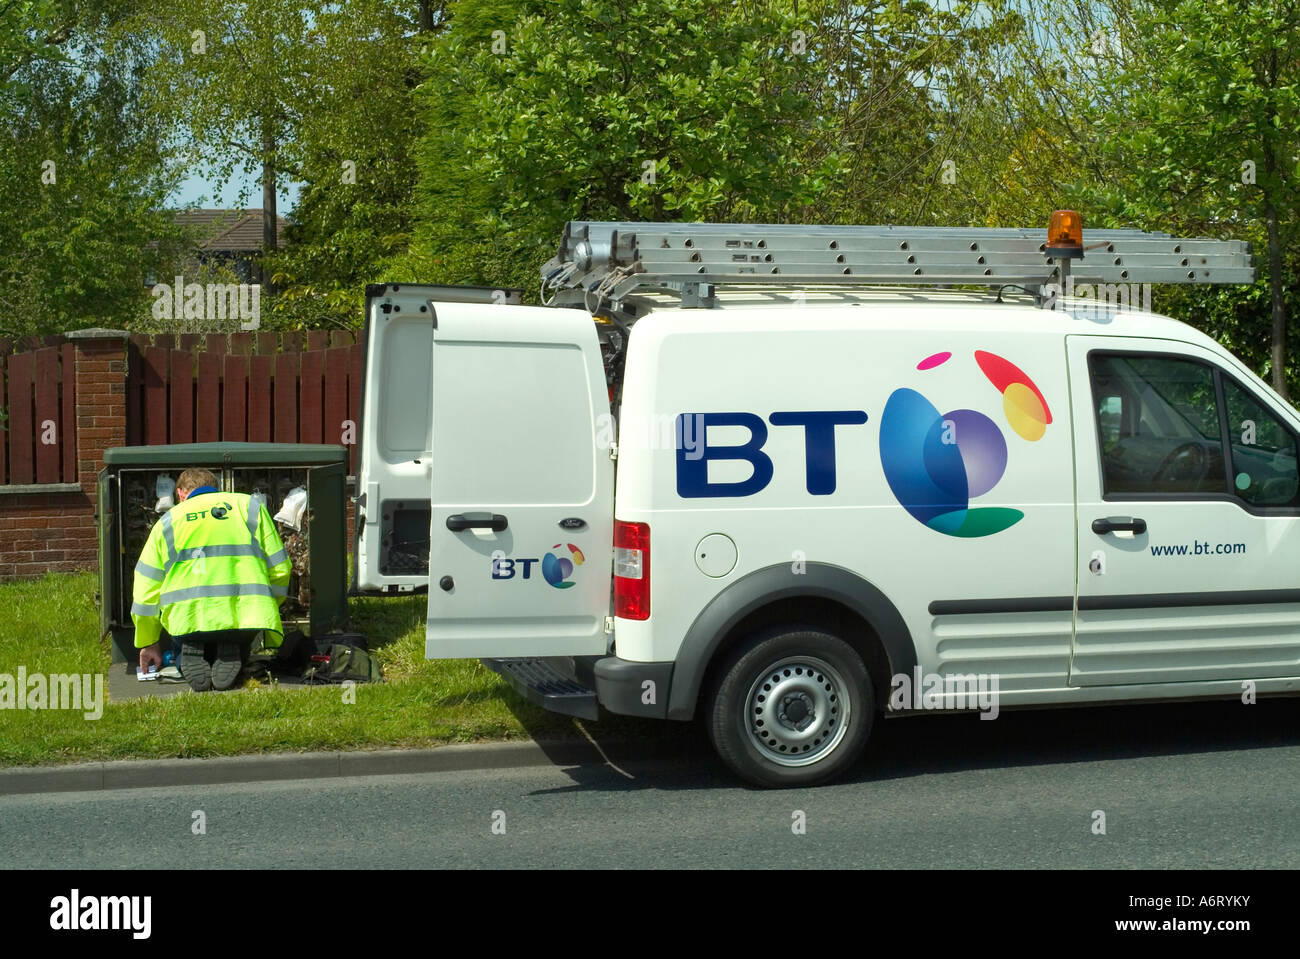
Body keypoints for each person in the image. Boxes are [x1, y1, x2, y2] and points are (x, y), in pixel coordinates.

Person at [131, 468, 292, 692]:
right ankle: (232, 649)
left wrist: (149, 641)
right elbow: (281, 568)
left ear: (180, 493)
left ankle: (188, 654)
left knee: (185, 644)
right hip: (242, 617)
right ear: (218, 489)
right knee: (237, 638)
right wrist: (269, 605)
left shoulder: (167, 522)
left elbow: (145, 589)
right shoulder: (249, 507)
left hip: (189, 621)